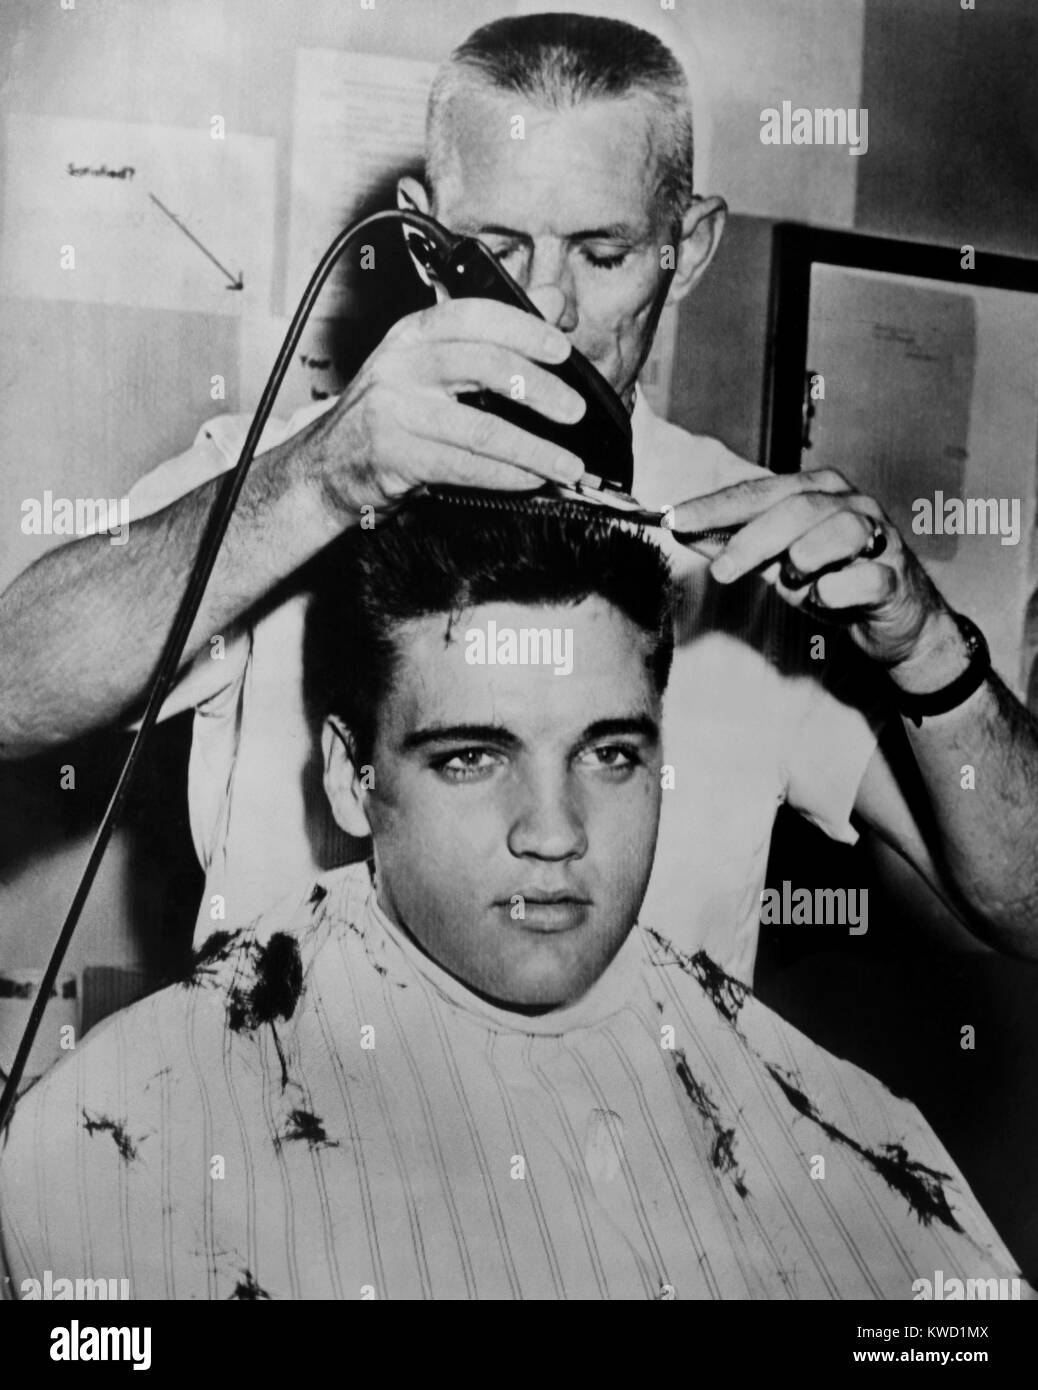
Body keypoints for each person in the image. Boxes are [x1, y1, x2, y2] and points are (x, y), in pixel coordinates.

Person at [1, 14, 1036, 981]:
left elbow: (1021, 909)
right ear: (421, 240)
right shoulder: (283, 470)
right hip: (300, 1140)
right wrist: (318, 479)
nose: (550, 309)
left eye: (604, 252)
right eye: (495, 251)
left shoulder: (755, 541)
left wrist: (928, 649)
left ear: (690, 247)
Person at [0, 499, 1025, 1301]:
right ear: (348, 778)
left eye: (611, 753)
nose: (555, 830)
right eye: (473, 757)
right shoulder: (121, 1132)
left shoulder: (842, 1128)